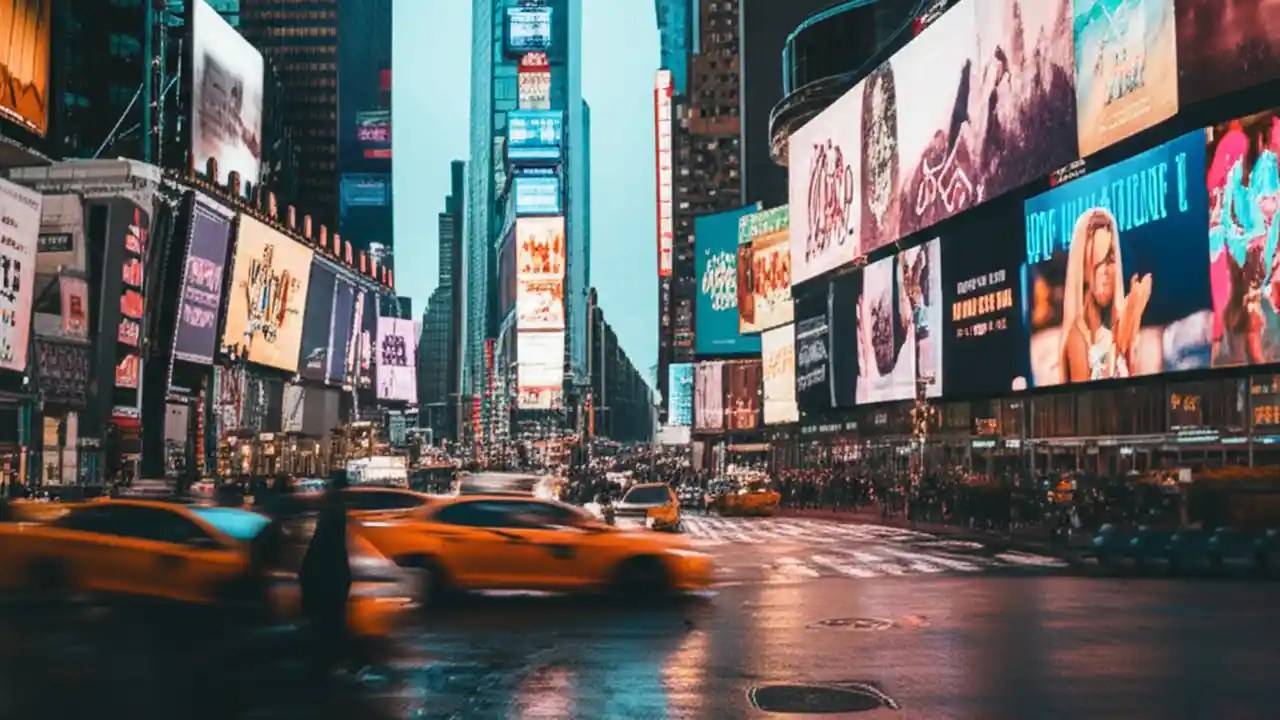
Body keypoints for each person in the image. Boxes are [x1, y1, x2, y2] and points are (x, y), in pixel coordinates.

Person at [300, 474, 352, 681]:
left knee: (325, 622)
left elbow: (323, 545)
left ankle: (323, 665)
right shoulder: (337, 510)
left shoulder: (331, 511)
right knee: (330, 621)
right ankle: (329, 662)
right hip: (332, 574)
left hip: (326, 574)